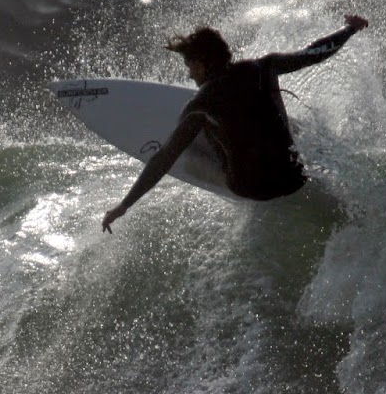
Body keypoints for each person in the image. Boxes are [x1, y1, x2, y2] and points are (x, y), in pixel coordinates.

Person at [101, 14, 369, 233]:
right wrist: (349, 29)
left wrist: (125, 204)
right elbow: (313, 53)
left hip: (251, 189)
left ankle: (210, 149)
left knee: (201, 129)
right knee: (270, 93)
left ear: (202, 63)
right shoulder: (264, 67)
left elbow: (165, 157)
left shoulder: (200, 104)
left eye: (189, 65)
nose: (189, 74)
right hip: (292, 179)